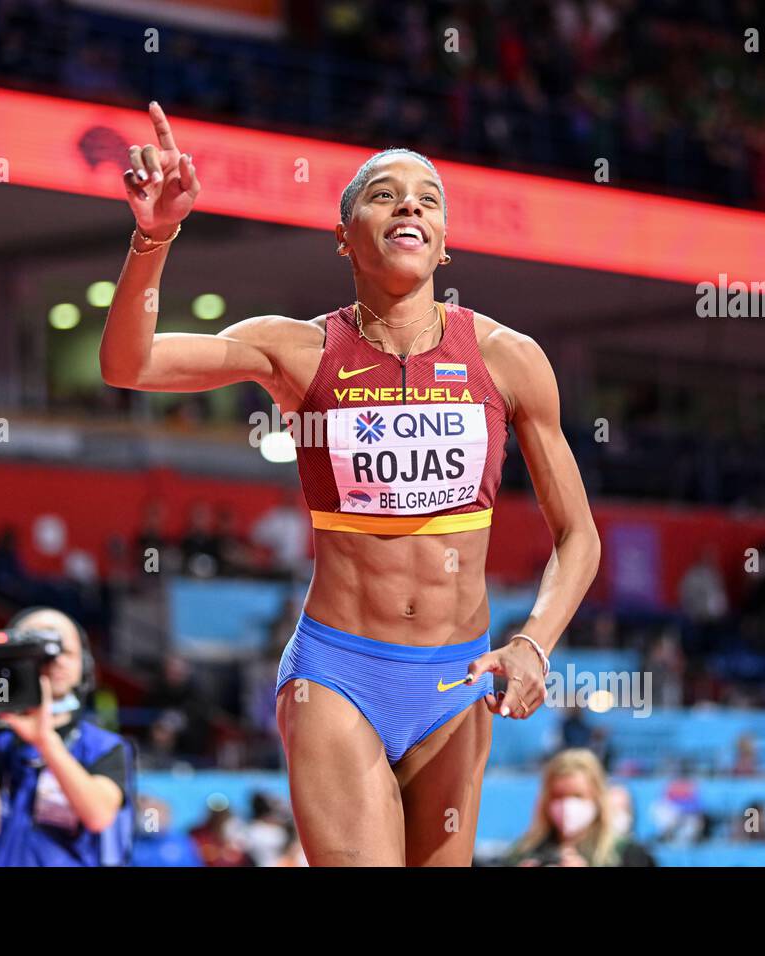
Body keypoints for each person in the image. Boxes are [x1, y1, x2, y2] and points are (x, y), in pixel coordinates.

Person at [101, 103, 600, 865]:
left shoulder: (509, 358)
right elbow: (128, 365)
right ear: (344, 238)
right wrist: (154, 236)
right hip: (340, 675)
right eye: (384, 193)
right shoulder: (295, 351)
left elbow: (578, 535)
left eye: (428, 198)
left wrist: (534, 643)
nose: (409, 204)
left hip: (456, 679)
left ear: (443, 245)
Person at [0, 607, 135, 866]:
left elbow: (98, 815)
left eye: (64, 652)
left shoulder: (104, 747)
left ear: (84, 665)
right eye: (38, 652)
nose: (54, 662)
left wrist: (45, 741)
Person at [506, 749, 649, 867]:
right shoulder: (523, 852)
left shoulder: (628, 855)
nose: (567, 805)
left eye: (578, 796)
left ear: (597, 797)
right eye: (558, 796)